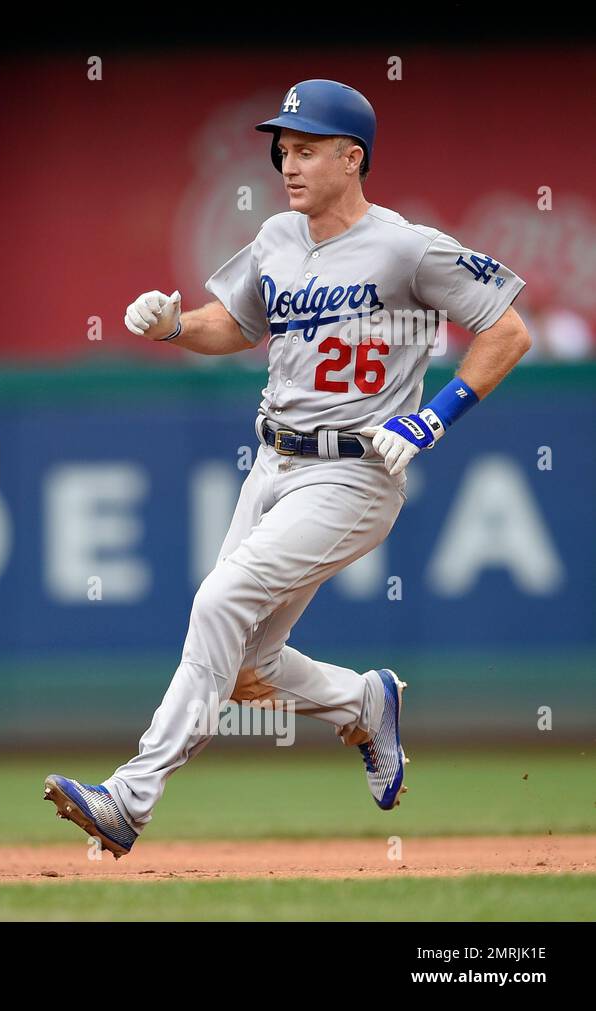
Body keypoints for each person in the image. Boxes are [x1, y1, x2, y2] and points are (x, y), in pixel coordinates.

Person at [45, 80, 531, 857]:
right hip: (273, 460)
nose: (288, 162)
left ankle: (129, 798)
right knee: (248, 669)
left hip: (357, 470)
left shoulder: (406, 247)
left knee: (219, 601)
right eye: (283, 148)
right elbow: (232, 324)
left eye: (306, 148)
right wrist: (174, 325)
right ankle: (365, 702)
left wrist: (433, 416)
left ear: (352, 156)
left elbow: (507, 330)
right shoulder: (275, 236)